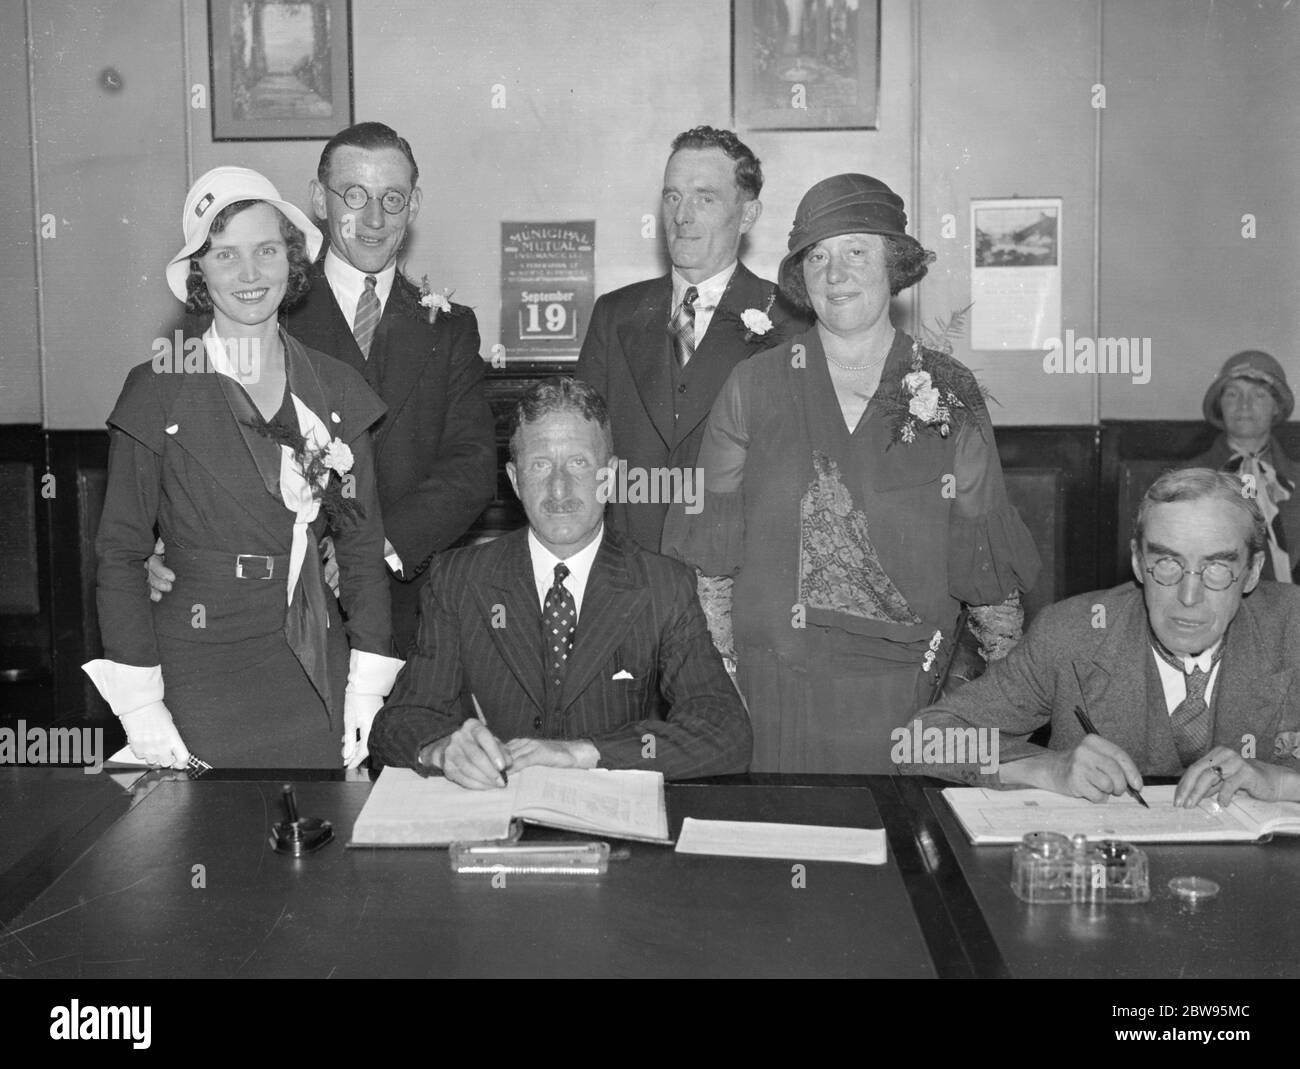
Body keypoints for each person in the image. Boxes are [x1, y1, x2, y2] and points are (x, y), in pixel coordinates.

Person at [662, 173, 1040, 774]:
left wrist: (1001, 707)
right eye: (817, 257)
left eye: (855, 252)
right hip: (773, 694)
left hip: (908, 701)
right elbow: (710, 560)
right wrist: (722, 689)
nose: (834, 275)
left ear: (895, 266)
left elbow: (986, 562)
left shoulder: (949, 390)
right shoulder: (754, 386)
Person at [84, 167, 404, 768]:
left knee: (319, 846)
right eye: (225, 255)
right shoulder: (156, 388)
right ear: (199, 273)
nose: (250, 274)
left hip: (313, 660)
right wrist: (139, 703)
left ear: (291, 258)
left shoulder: (336, 387)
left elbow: (362, 553)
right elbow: (121, 553)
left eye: (266, 250)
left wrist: (367, 686)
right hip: (198, 662)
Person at [150, 122, 497, 653]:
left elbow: (471, 468)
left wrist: (373, 544)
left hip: (410, 606)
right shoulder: (263, 302)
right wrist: (165, 543)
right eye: (354, 196)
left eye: (393, 198)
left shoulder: (448, 328)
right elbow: (195, 444)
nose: (375, 219)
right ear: (318, 198)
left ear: (415, 205)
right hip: (277, 604)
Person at [368, 377, 752, 786]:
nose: (558, 488)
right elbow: (396, 723)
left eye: (578, 463)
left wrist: (582, 754)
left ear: (611, 476)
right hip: (493, 826)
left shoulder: (662, 585)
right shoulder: (459, 579)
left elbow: (726, 733)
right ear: (515, 481)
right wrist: (441, 748)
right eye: (540, 465)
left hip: (608, 824)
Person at [899, 468, 1300, 808]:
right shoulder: (1073, 635)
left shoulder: (1291, 626)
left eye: (1216, 568)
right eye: (1167, 563)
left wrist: (1281, 782)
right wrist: (1047, 768)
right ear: (1138, 563)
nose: (1188, 597)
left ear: (1251, 572)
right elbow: (921, 741)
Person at [575, 126, 807, 553]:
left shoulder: (790, 322)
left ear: (748, 215)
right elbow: (582, 447)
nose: (683, 215)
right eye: (673, 196)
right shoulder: (615, 313)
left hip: (736, 570)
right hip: (631, 570)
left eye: (705, 197)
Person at [1188, 350, 1299, 583]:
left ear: (1277, 407)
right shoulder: (1190, 478)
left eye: (1258, 395)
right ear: (1220, 405)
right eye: (1232, 394)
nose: (1244, 405)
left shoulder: (1295, 480)